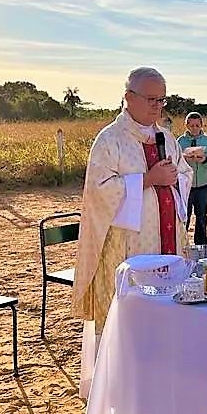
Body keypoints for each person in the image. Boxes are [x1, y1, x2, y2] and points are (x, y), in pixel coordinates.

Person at [72, 67, 193, 393]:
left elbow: (182, 173)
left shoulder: (166, 137)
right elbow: (98, 191)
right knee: (131, 324)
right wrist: (148, 181)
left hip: (168, 240)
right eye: (151, 99)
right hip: (129, 248)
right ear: (129, 98)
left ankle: (166, 382)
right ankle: (122, 391)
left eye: (162, 100)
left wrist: (177, 177)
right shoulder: (109, 140)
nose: (158, 107)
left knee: (169, 317)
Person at [177, 111, 207, 246]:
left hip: (204, 185)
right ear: (186, 125)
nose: (194, 128)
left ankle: (201, 245)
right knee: (185, 216)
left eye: (197, 125)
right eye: (191, 125)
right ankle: (182, 244)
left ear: (202, 125)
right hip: (186, 186)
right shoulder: (180, 141)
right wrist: (184, 159)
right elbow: (174, 160)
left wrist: (205, 160)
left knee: (201, 216)